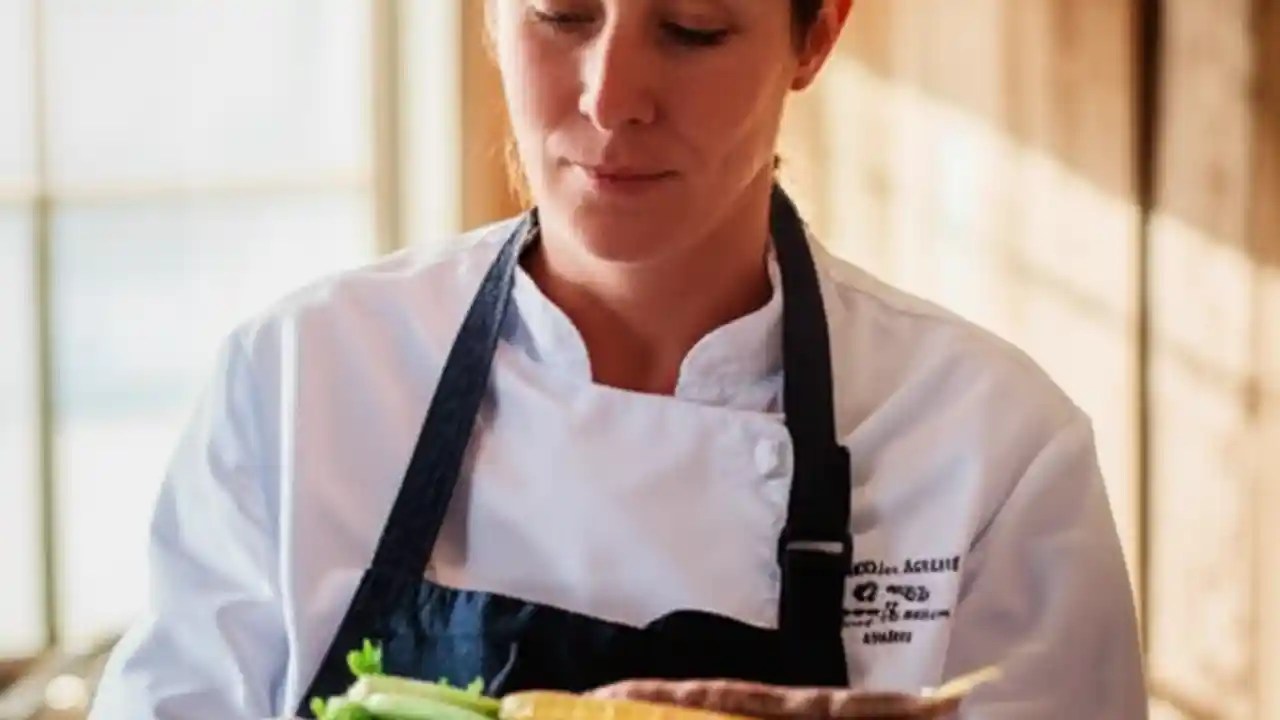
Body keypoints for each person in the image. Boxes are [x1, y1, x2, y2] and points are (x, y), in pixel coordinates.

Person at [89, 1, 1148, 718]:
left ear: (814, 35)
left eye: (690, 27)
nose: (610, 98)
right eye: (560, 13)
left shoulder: (991, 450)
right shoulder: (298, 383)